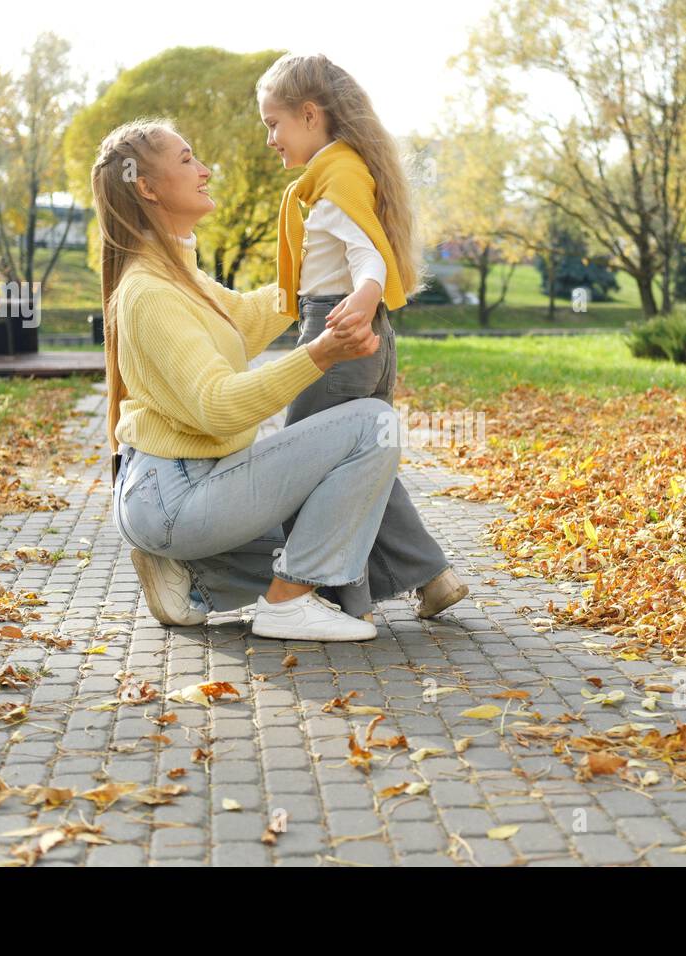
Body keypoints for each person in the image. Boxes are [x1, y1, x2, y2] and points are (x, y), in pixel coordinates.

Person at [94, 117, 404, 642]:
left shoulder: (180, 275)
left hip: (181, 495)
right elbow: (220, 406)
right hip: (177, 498)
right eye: (188, 159)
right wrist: (321, 353)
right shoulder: (149, 291)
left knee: (330, 531)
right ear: (146, 187)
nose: (205, 170)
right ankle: (287, 603)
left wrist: (323, 261)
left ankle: (192, 579)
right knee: (374, 426)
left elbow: (253, 316)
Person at [257, 52, 469, 623]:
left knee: (306, 464)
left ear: (309, 115)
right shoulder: (340, 171)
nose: (271, 138)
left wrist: (365, 295)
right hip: (361, 331)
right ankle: (430, 577)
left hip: (340, 332)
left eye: (273, 124)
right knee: (359, 463)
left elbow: (366, 253)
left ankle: (338, 600)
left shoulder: (336, 175)